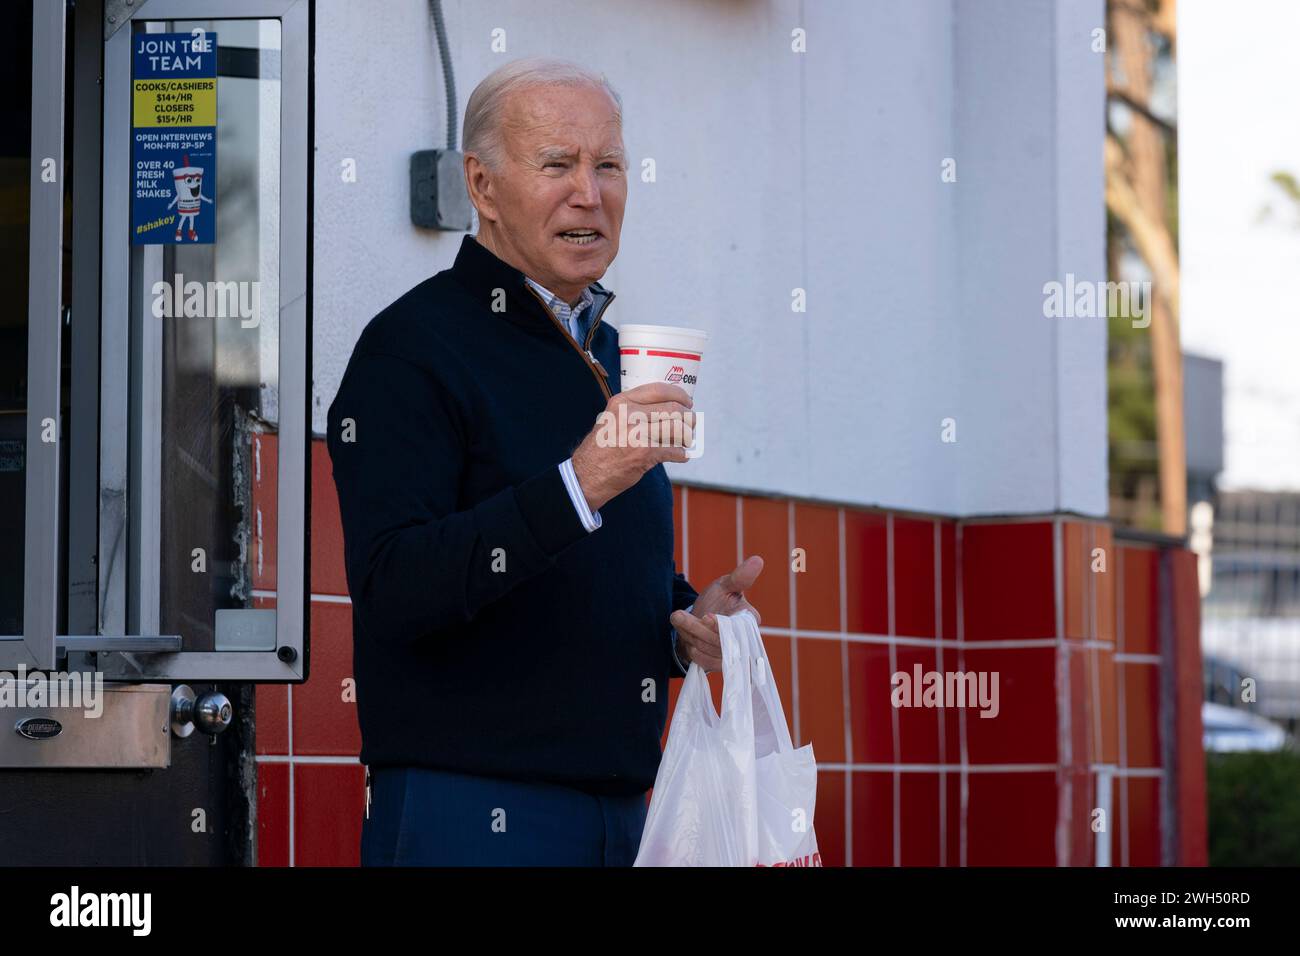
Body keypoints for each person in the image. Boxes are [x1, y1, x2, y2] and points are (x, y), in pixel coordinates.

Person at [327, 56, 764, 866]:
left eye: (608, 166)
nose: (589, 194)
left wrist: (682, 622)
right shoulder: (410, 349)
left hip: (621, 813)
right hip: (471, 812)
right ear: (482, 188)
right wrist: (582, 481)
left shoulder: (600, 348)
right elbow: (394, 587)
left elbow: (578, 566)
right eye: (557, 164)